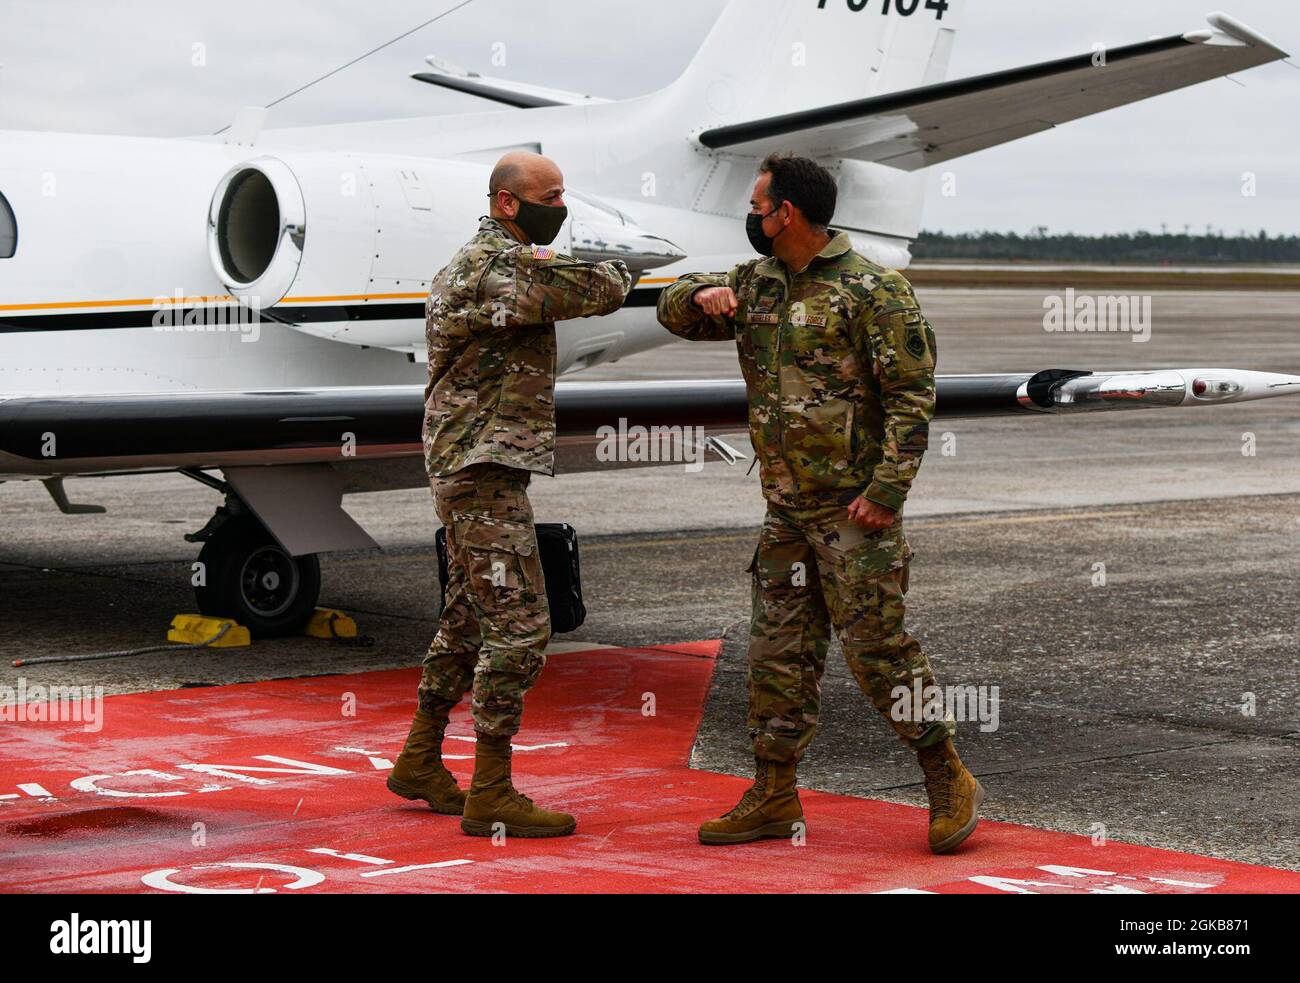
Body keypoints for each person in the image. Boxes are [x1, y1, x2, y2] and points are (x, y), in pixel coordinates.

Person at [657, 153, 983, 853]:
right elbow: (672, 306)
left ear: (788, 214)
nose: (751, 217)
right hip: (785, 511)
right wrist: (697, 298)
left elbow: (910, 401)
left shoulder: (873, 291)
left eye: (757, 206)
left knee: (879, 654)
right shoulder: (756, 283)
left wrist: (886, 494)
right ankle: (774, 793)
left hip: (854, 514)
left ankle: (946, 772)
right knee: (776, 656)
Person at [389, 151, 632, 839]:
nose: (560, 205)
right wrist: (628, 267)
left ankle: (420, 758)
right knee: (521, 626)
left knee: (468, 617)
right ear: (506, 202)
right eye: (550, 195)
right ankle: (491, 787)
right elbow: (592, 289)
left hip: (473, 466)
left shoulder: (478, 264)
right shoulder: (499, 269)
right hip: (481, 472)